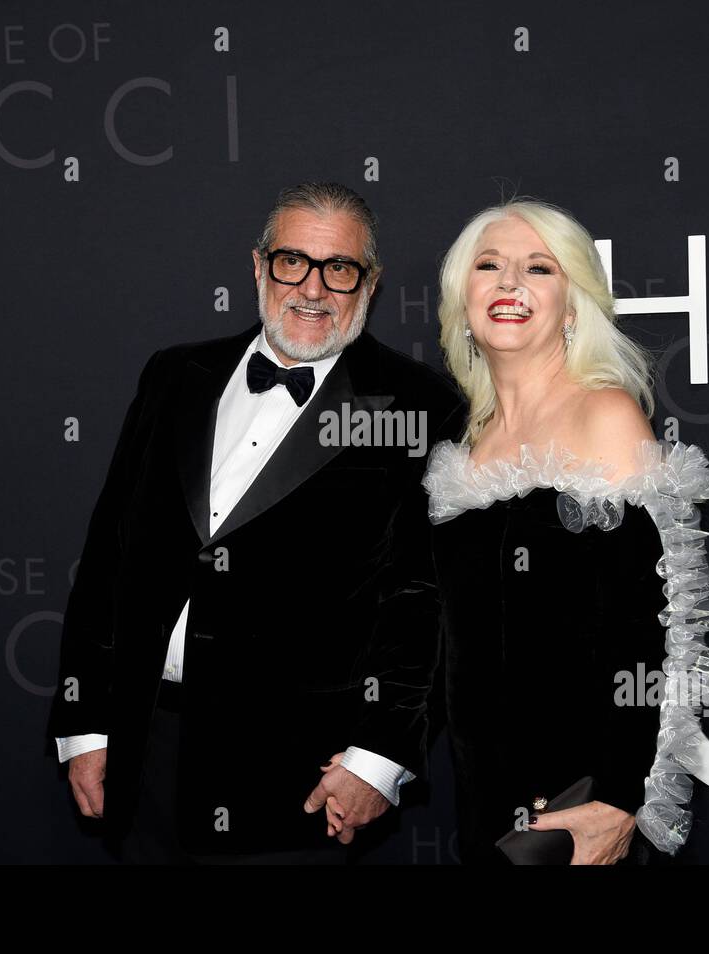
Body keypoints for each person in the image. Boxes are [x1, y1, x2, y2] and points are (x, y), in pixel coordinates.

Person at [46, 181, 465, 863]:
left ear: (371, 282)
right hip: (143, 747)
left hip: (302, 775)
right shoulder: (175, 374)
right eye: (292, 261)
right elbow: (109, 558)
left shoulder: (418, 405)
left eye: (340, 268)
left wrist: (378, 757)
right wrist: (86, 724)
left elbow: (424, 601)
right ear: (258, 265)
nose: (312, 287)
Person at [419, 198, 709, 865]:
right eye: (489, 265)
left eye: (538, 268)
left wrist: (619, 796)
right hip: (481, 795)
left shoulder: (604, 415)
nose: (509, 284)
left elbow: (652, 626)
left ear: (574, 301)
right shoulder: (461, 445)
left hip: (580, 793)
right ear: (461, 297)